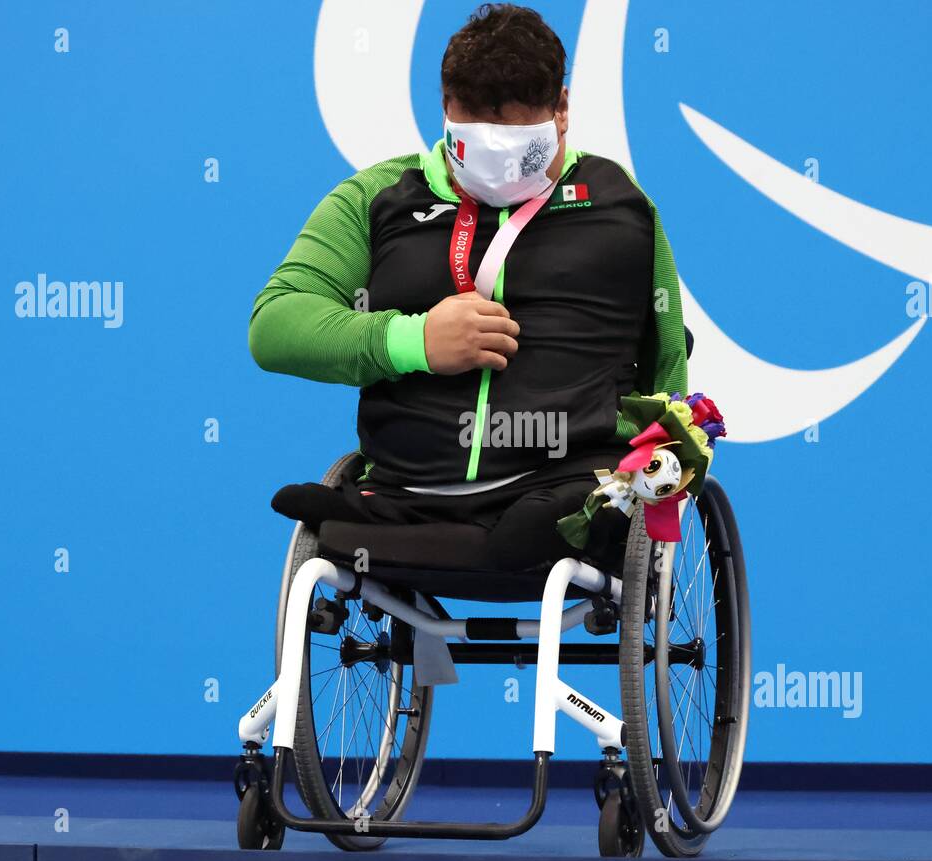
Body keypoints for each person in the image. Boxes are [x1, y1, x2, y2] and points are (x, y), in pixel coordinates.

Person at [250, 2, 687, 571]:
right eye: (477, 142)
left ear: (561, 109)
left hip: (564, 486)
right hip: (407, 493)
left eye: (518, 143)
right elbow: (275, 324)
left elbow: (668, 360)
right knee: (339, 522)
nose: (499, 168)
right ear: (445, 111)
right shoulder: (375, 197)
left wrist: (662, 480)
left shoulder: (621, 204)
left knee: (552, 521)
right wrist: (412, 341)